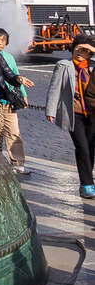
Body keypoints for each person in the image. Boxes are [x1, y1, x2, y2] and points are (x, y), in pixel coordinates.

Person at [47, 41, 95, 198]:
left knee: (90, 148)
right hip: (74, 113)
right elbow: (55, 88)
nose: (80, 52)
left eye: (85, 50)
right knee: (82, 147)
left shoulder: (91, 67)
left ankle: (86, 180)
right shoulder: (64, 65)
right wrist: (51, 110)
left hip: (92, 113)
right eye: (78, 48)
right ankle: (87, 184)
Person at [0, 26, 34, 176]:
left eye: (3, 40)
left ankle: (18, 163)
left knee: (14, 132)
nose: (0, 43)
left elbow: (16, 76)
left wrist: (23, 95)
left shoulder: (9, 57)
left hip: (9, 101)